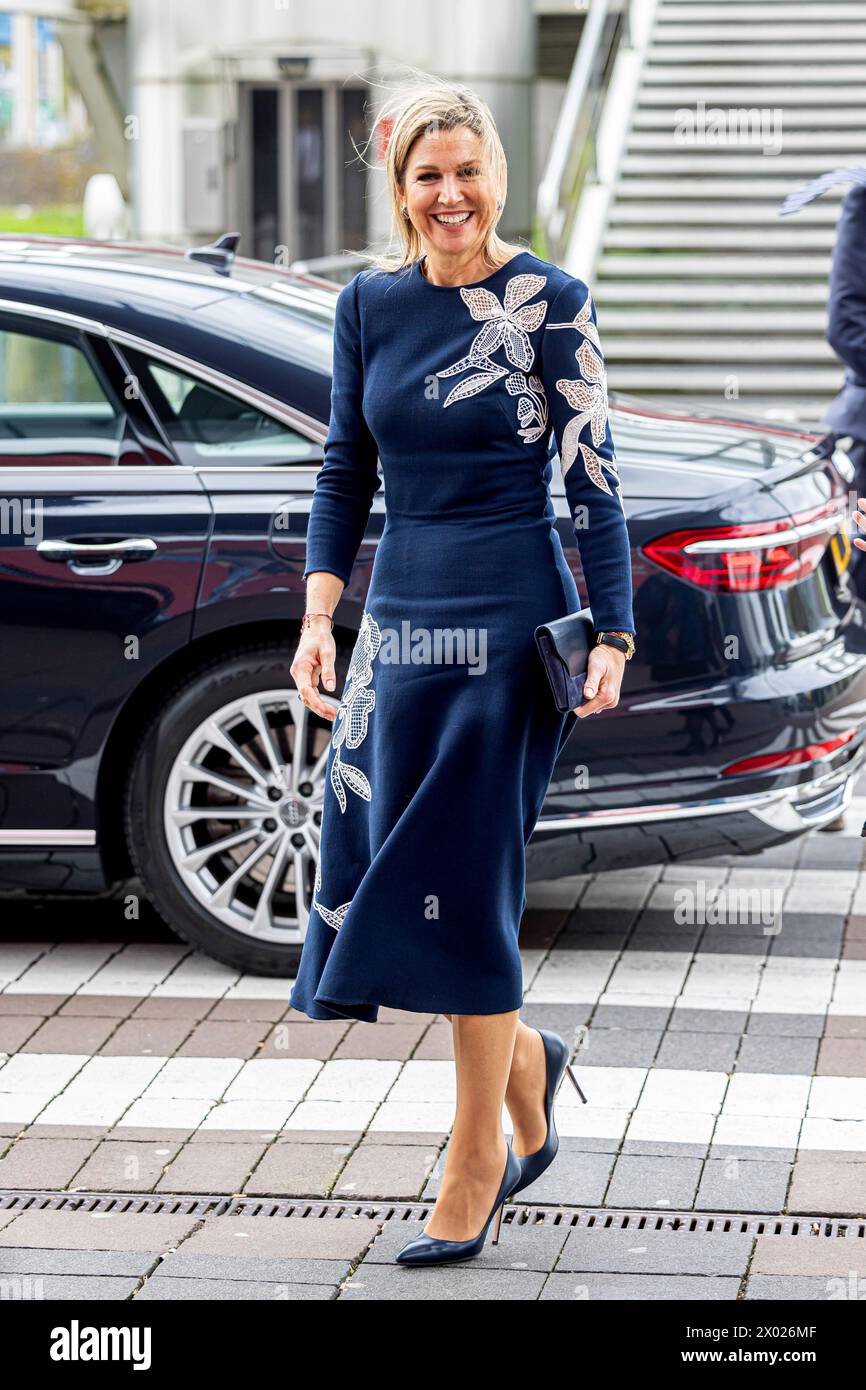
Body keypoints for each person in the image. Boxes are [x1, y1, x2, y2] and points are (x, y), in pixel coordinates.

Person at [288, 77, 635, 1267]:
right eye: (425, 177)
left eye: (467, 172)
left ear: (497, 175)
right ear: (400, 191)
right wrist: (319, 616)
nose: (450, 196)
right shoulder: (369, 309)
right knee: (400, 869)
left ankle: (474, 1157)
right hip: (400, 632)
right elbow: (344, 472)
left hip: (509, 626)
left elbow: (594, 484)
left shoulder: (551, 302)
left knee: (465, 875)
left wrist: (613, 634)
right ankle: (528, 1062)